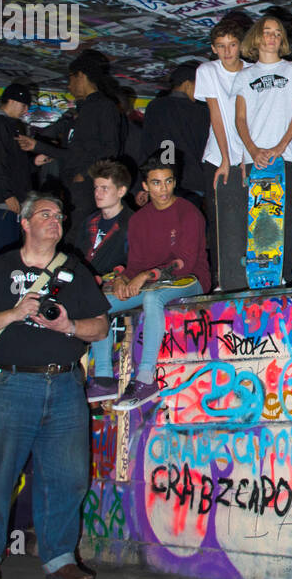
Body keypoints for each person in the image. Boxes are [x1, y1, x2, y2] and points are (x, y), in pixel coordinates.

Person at [0, 193, 109, 579]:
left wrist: (69, 327)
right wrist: (14, 313)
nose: (55, 220)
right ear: (24, 223)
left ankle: (59, 558)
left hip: (63, 385)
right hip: (9, 383)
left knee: (68, 476)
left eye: (60, 215)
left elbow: (101, 325)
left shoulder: (74, 270)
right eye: (45, 214)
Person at [86, 156, 208, 409]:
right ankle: (105, 378)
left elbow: (184, 262)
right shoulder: (139, 220)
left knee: (153, 298)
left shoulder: (188, 212)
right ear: (145, 186)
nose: (163, 189)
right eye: (156, 183)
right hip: (153, 282)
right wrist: (123, 279)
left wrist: (145, 276)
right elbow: (136, 264)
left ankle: (145, 379)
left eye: (168, 182)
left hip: (191, 279)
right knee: (98, 303)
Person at [233, 15, 292, 281]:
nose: (272, 37)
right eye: (267, 32)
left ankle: (284, 276)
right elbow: (239, 118)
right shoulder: (245, 75)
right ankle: (259, 277)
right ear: (257, 36)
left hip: (284, 154)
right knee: (258, 217)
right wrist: (252, 151)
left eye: (278, 33)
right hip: (256, 156)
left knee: (284, 216)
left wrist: (280, 146)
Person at [21, 51, 125, 231]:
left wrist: (85, 173)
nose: (69, 86)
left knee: (79, 234)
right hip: (70, 184)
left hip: (85, 186)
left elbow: (109, 149)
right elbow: (75, 151)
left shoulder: (103, 106)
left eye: (70, 79)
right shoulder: (82, 110)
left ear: (81, 76)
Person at [194, 13, 254, 291]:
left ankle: (252, 277)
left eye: (232, 44)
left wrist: (245, 158)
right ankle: (220, 279)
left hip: (250, 155)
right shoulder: (207, 71)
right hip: (217, 156)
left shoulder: (253, 71)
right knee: (219, 220)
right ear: (213, 48)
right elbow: (216, 115)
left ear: (240, 45)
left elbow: (251, 118)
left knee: (248, 216)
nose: (227, 51)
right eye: (221, 45)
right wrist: (227, 160)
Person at [0, 83, 36, 261]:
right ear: (11, 100)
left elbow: (11, 163)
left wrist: (34, 162)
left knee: (8, 259)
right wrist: (6, 194)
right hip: (4, 204)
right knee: (0, 259)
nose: (25, 110)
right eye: (23, 105)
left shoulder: (7, 125)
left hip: (11, 203)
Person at [139, 62, 210, 207]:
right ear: (187, 84)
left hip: (161, 181)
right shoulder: (201, 112)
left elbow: (146, 146)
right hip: (193, 181)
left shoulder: (155, 107)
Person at [72, 159, 132, 285]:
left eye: (104, 188)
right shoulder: (88, 222)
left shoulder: (133, 224)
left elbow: (134, 264)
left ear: (121, 191)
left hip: (113, 286)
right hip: (83, 283)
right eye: (96, 188)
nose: (97, 193)